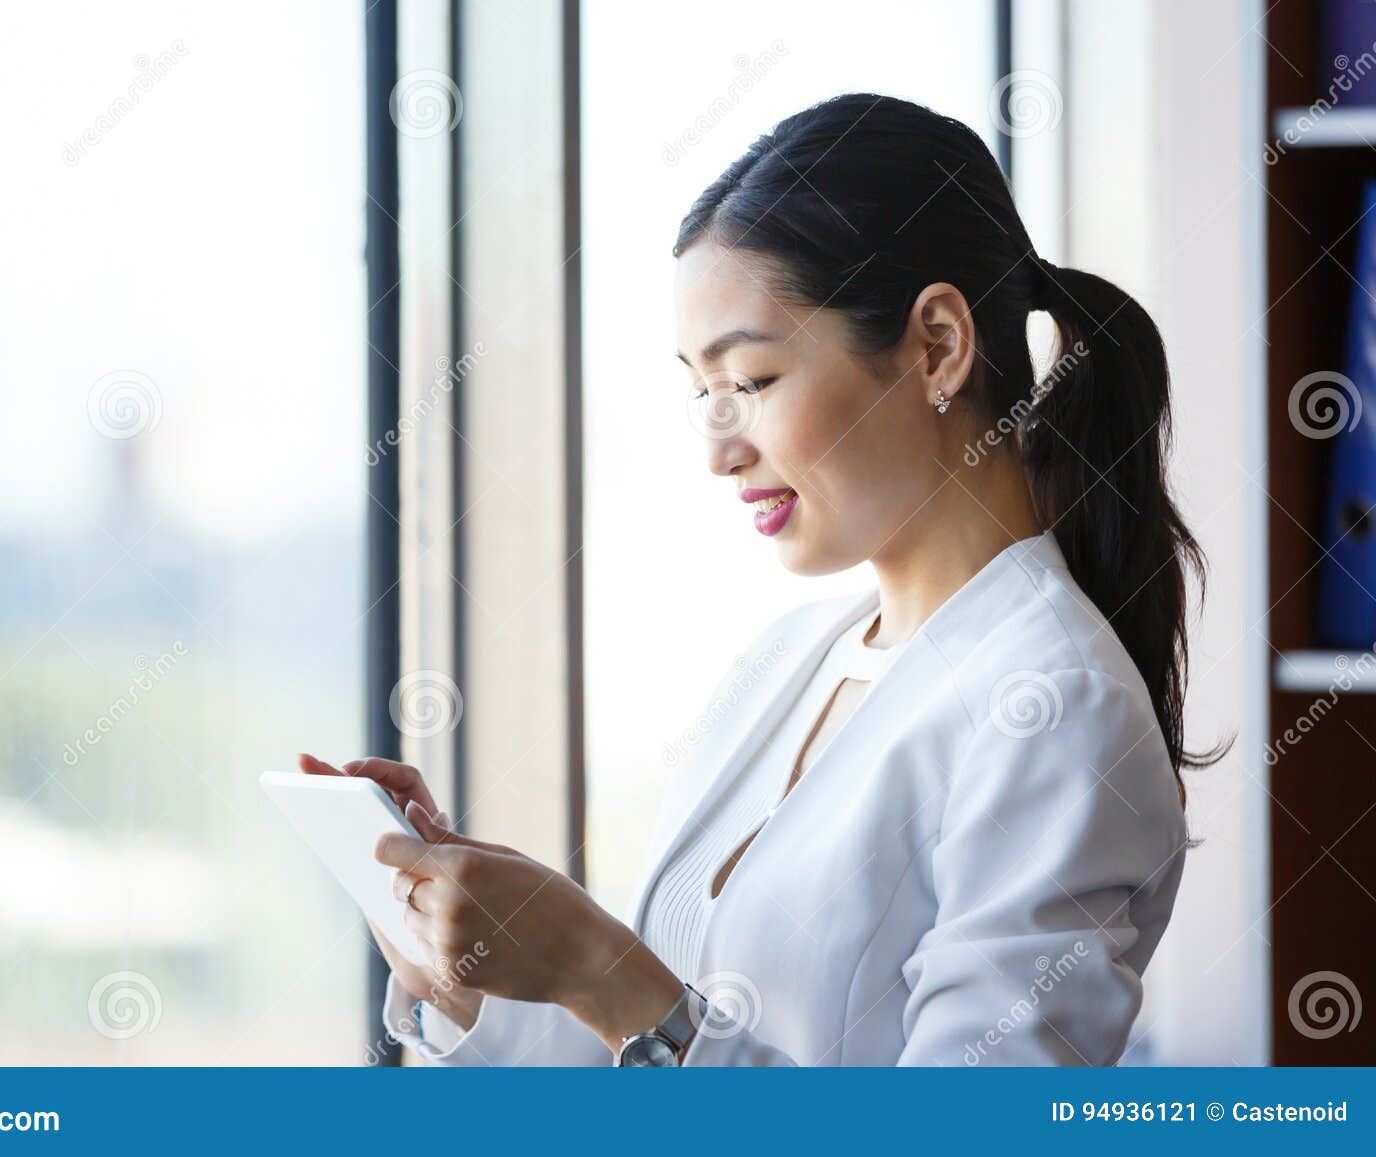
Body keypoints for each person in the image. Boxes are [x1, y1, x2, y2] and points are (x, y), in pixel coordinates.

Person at [302, 91, 1222, 1066]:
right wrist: (478, 967)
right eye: (700, 391)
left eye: (750, 381)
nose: (719, 450)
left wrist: (602, 970)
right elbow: (672, 1049)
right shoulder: (791, 658)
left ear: (938, 345)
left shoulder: (1057, 703)